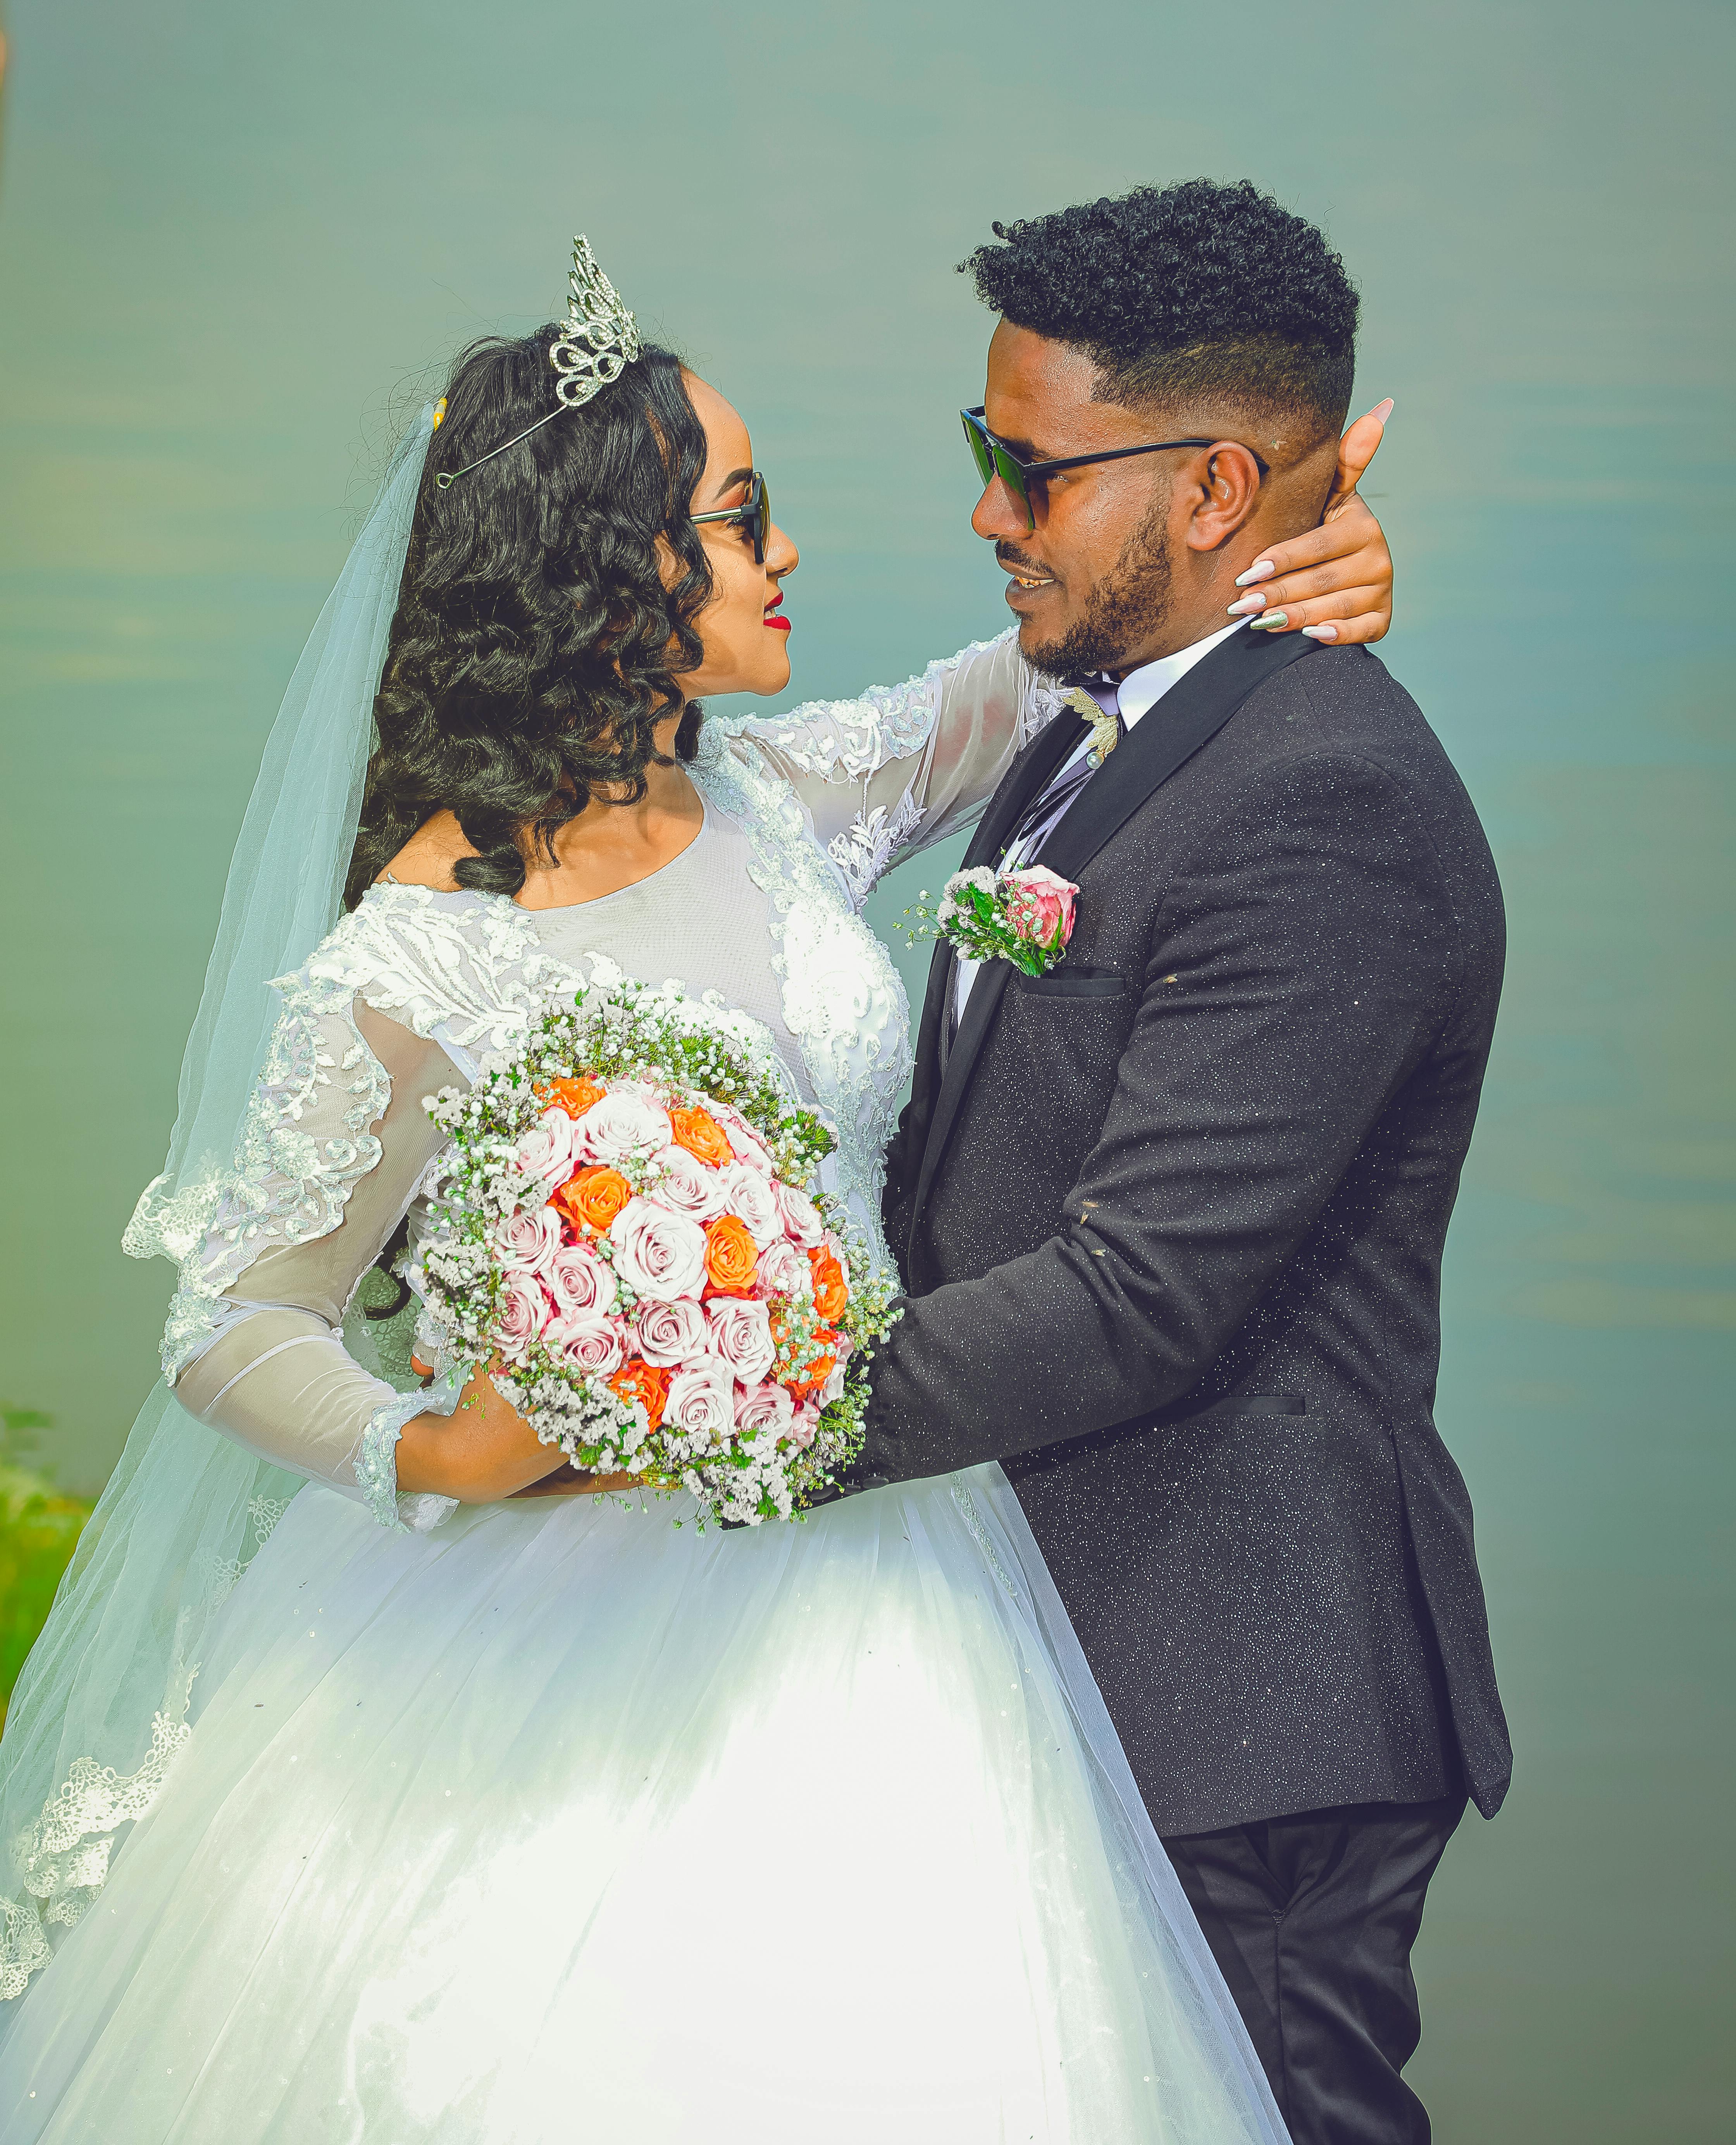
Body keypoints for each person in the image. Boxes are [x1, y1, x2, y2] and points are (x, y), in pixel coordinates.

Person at [0, 229, 1393, 2142]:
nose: (790, 554)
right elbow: (234, 1316)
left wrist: (1281, 562)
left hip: (890, 1566)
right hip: (530, 1626)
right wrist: (429, 1452)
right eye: (744, 523)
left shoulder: (787, 795)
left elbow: (1074, 646)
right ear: (606, 575)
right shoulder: (413, 955)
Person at [854, 181, 1512, 2145]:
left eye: (1026, 467)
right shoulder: (1098, 727)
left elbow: (1144, 1291)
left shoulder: (1325, 803)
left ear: (1213, 486)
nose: (986, 509)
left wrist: (732, 1423)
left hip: (1246, 1688)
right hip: (1066, 1630)